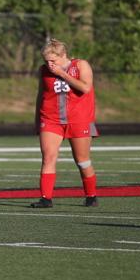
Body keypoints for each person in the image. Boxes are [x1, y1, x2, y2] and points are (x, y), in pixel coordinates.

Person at [31, 39, 100, 208]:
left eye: (53, 60)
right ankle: (46, 199)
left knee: (82, 160)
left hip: (79, 119)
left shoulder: (81, 65)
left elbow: (85, 88)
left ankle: (91, 195)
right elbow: (41, 94)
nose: (49, 64)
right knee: (48, 157)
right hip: (50, 119)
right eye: (46, 61)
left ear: (63, 55)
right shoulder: (44, 70)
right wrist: (36, 119)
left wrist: (62, 74)